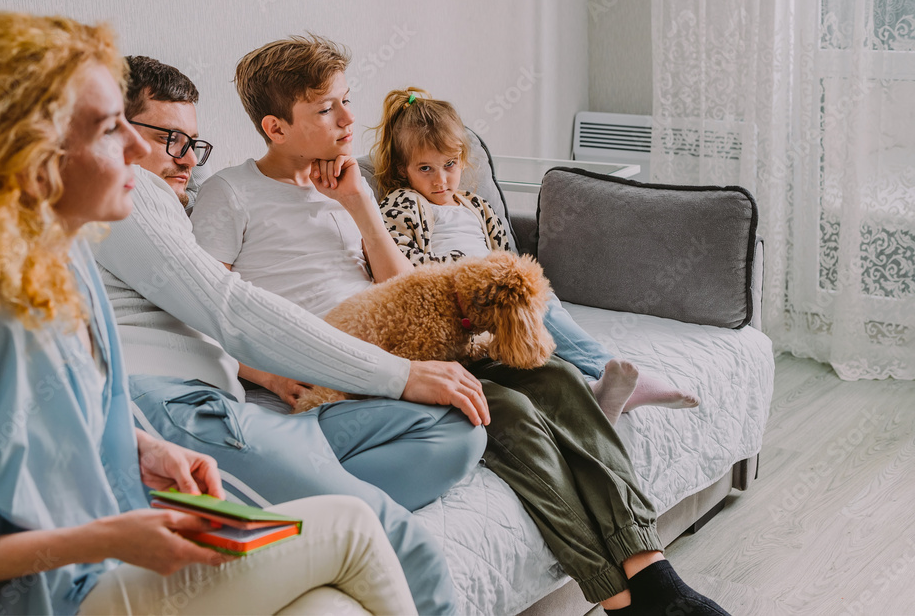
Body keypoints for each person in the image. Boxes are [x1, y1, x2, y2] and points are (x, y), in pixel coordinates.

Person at [190, 34, 731, 616]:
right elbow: (201, 313)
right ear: (275, 127)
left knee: (556, 378)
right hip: (345, 364)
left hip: (409, 336)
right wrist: (268, 376)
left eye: (346, 100)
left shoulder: (346, 184)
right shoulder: (230, 193)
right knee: (508, 410)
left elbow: (402, 286)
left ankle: (650, 567)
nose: (348, 120)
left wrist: (360, 204)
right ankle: (622, 598)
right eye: (326, 109)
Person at [0, 12, 416, 616]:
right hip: (54, 597)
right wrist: (102, 540)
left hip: (100, 565)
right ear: (29, 153)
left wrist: (141, 448)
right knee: (354, 528)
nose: (136, 149)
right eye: (109, 130)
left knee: (333, 609)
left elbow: (63, 411)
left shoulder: (68, 266)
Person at [92, 54, 485, 615]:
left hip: (231, 410)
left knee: (458, 426)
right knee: (401, 542)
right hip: (175, 410)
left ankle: (286, 507)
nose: (187, 158)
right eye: (167, 138)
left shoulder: (168, 202)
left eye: (193, 143)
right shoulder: (123, 192)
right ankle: (301, 508)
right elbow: (230, 308)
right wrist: (398, 374)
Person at [370, 87, 701, 425]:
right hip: (456, 298)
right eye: (425, 168)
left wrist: (515, 282)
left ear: (462, 159)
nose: (440, 180)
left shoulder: (474, 205)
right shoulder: (404, 202)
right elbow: (405, 266)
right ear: (403, 169)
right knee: (528, 303)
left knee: (541, 302)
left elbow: (506, 253)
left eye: (449, 165)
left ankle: (594, 390)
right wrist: (474, 275)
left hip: (496, 292)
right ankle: (611, 372)